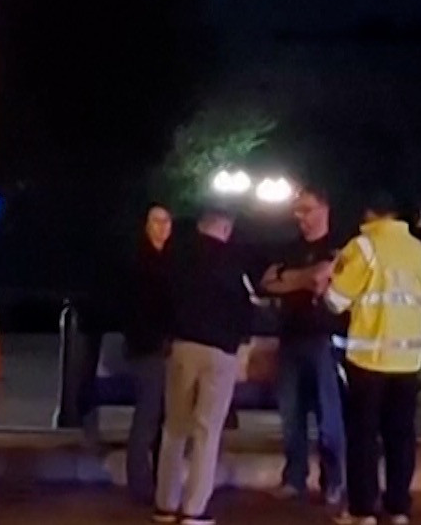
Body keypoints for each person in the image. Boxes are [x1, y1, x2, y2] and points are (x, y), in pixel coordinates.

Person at [311, 190, 421, 525]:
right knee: (401, 437)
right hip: (408, 360)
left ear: (370, 213)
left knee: (364, 438)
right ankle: (398, 508)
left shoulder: (363, 247)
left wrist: (325, 284)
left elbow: (336, 301)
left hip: (369, 360)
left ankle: (362, 509)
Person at [154, 205, 256, 525]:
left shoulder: (178, 257)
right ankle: (194, 508)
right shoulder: (233, 262)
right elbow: (246, 308)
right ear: (225, 228)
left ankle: (165, 503)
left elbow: (164, 299)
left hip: (183, 346)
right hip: (219, 352)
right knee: (206, 431)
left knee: (174, 427)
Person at [259, 185, 347, 512]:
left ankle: (333, 481)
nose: (301, 218)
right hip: (290, 338)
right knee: (291, 416)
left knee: (329, 417)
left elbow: (325, 275)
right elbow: (268, 281)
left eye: (307, 210)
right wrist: (303, 278)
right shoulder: (289, 248)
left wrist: (289, 279)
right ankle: (294, 477)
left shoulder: (339, 247)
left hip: (323, 339)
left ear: (324, 209)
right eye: (298, 211)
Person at [122, 203, 175, 505]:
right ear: (146, 225)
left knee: (162, 419)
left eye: (166, 221)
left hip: (163, 346)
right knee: (147, 416)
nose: (162, 227)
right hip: (147, 348)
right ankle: (140, 483)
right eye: (156, 221)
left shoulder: (169, 261)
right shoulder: (141, 263)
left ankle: (156, 479)